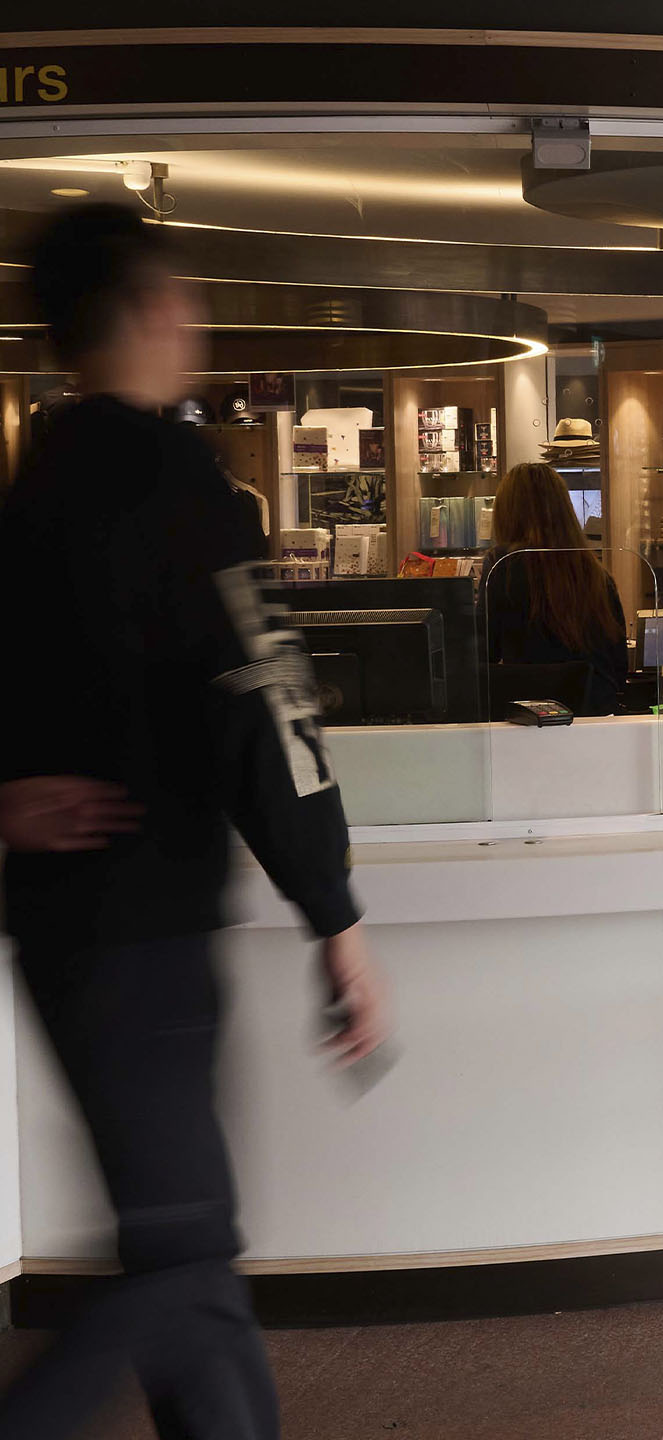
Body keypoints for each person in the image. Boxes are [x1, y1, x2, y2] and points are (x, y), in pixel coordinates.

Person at [0, 204, 390, 1438]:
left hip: (58, 930)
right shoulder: (182, 487)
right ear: (161, 311)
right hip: (152, 923)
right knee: (180, 1264)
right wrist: (334, 916)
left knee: (185, 1246)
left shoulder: (29, 489)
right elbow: (266, 709)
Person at [484, 461, 630, 716]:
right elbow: (618, 665)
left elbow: (485, 649)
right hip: (597, 715)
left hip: (531, 718)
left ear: (506, 513)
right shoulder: (596, 574)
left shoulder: (503, 566)